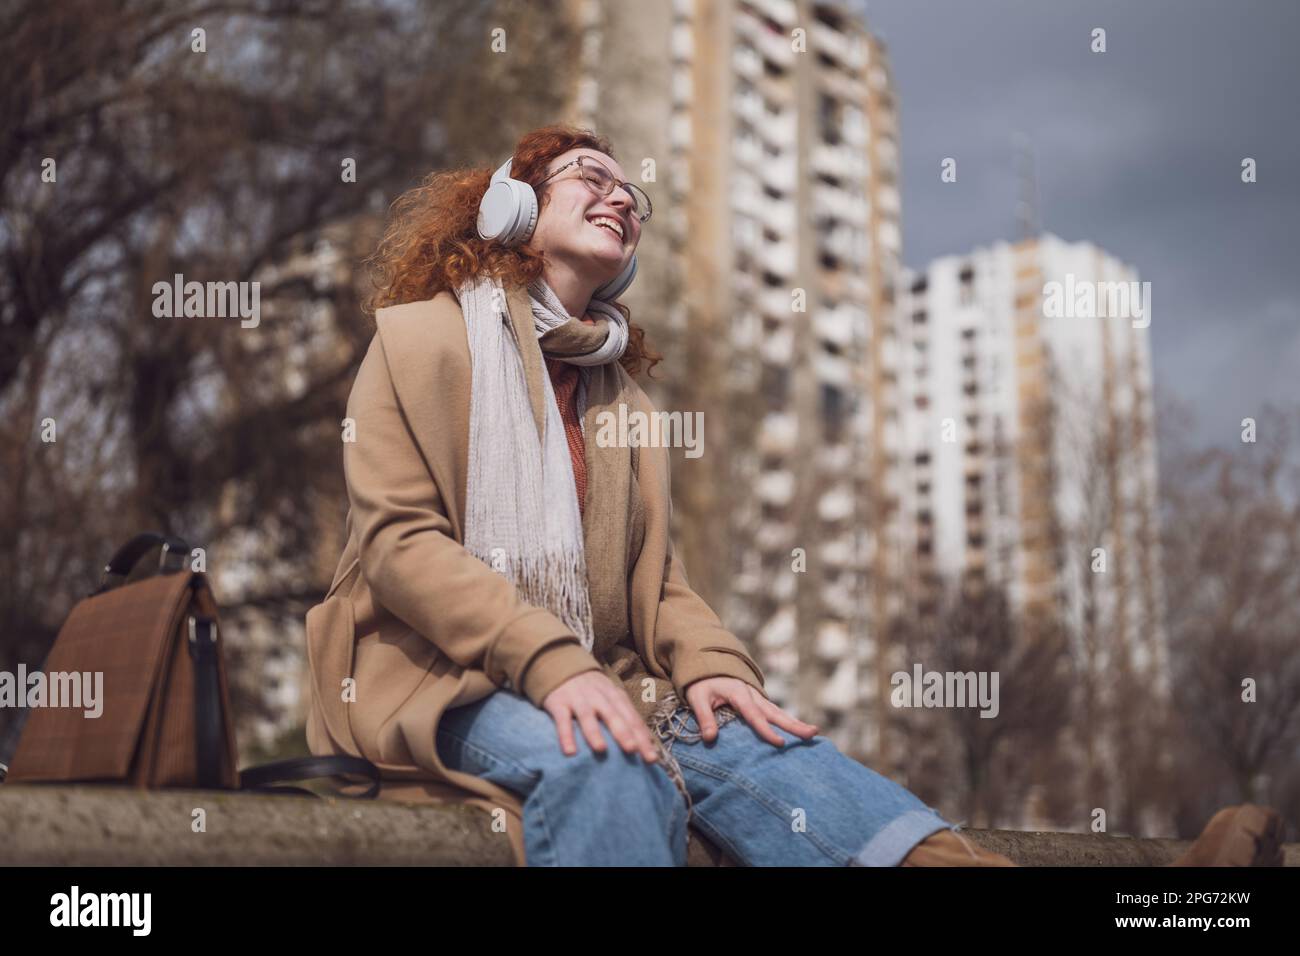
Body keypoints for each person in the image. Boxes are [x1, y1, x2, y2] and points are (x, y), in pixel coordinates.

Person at [305, 123, 1284, 867]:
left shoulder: (623, 402)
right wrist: (553, 664)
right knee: (609, 758)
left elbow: (658, 584)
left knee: (776, 748)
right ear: (514, 210)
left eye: (632, 192)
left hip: (598, 670)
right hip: (442, 679)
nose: (622, 198)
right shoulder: (421, 340)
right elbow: (399, 543)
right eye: (591, 179)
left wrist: (714, 666)